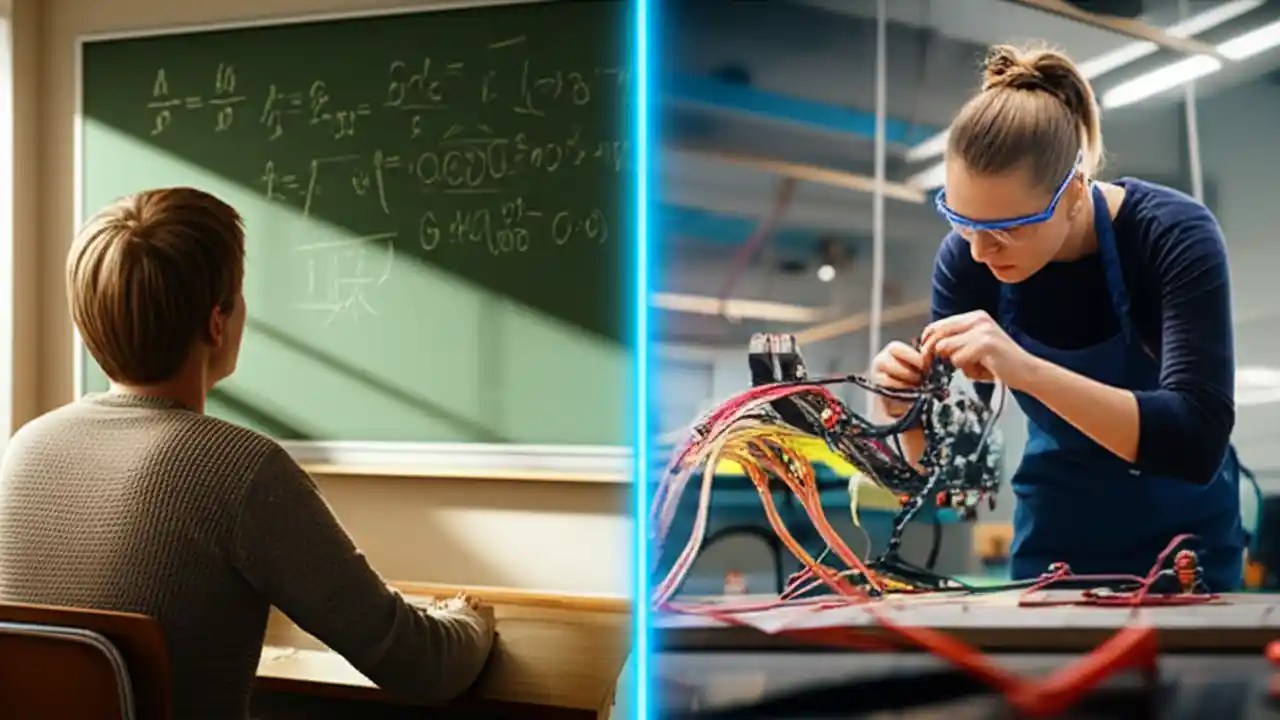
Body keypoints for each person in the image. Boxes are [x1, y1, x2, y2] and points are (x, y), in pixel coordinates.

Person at [0, 188, 495, 718]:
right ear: (218, 322)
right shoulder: (240, 470)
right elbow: (419, 664)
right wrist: (470, 619)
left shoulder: (25, 448)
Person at [871, 44, 1245, 591]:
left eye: (1007, 229)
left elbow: (1195, 441)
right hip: (1055, 545)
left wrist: (1025, 370)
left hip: (1183, 545)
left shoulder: (1170, 235)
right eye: (962, 221)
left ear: (1072, 193)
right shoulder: (969, 261)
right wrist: (902, 412)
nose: (980, 250)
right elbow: (957, 483)